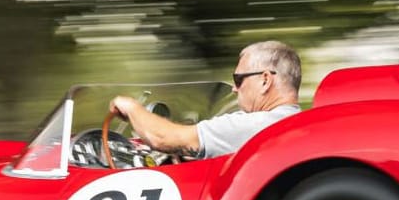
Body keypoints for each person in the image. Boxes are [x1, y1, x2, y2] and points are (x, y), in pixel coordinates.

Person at [109, 40, 302, 158]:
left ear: (265, 80)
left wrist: (131, 106)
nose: (234, 89)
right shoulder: (298, 124)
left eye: (238, 79)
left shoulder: (256, 125)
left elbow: (163, 138)